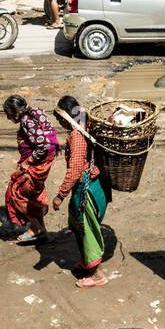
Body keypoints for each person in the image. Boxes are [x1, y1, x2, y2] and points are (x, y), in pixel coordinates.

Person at [52, 95, 110, 289]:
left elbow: (75, 169)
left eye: (60, 119)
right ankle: (87, 261)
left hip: (86, 188)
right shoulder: (85, 126)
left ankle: (97, 274)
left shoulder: (76, 136)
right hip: (94, 185)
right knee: (77, 223)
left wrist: (61, 194)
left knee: (86, 229)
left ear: (67, 117)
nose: (59, 123)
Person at [1, 94, 58, 244]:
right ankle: (41, 230)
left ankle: (35, 228)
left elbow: (43, 145)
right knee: (34, 192)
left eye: (9, 114)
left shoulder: (27, 122)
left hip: (38, 163)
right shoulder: (36, 111)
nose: (8, 118)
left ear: (16, 112)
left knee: (16, 191)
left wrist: (28, 163)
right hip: (46, 160)